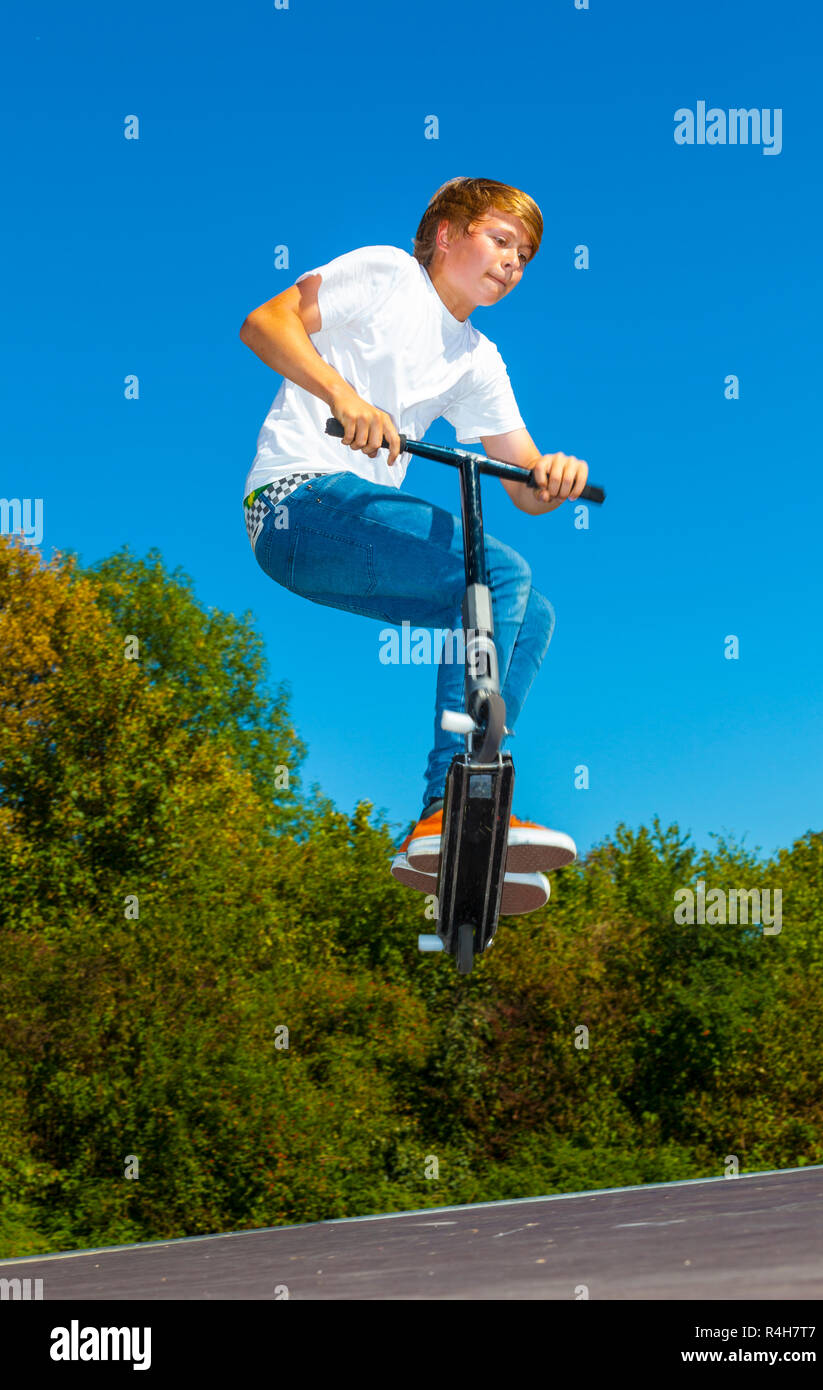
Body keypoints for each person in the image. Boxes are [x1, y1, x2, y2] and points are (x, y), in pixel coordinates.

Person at [240, 177, 589, 915]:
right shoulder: (388, 274)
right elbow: (265, 324)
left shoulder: (478, 359)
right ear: (445, 235)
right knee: (494, 572)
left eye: (524, 255)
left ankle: (466, 808)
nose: (513, 262)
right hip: (294, 504)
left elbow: (523, 484)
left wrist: (553, 473)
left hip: (345, 532)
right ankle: (451, 794)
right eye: (500, 240)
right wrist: (343, 397)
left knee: (530, 613)